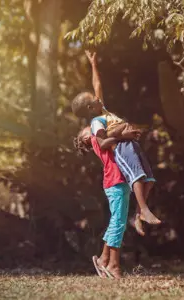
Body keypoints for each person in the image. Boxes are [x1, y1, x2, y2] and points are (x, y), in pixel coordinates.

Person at [71, 51, 161, 236]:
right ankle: (143, 209)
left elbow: (97, 85)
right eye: (94, 99)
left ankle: (138, 215)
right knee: (137, 176)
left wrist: (94, 64)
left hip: (131, 143)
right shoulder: (96, 123)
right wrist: (124, 135)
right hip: (122, 147)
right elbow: (103, 143)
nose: (98, 98)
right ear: (90, 107)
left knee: (149, 180)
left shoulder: (102, 111)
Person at [74, 126, 135, 279]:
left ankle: (104, 259)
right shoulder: (96, 140)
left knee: (118, 222)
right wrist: (124, 135)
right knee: (118, 222)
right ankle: (113, 265)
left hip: (119, 182)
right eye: (90, 129)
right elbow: (110, 140)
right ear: (86, 138)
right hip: (115, 182)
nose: (95, 127)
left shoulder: (100, 138)